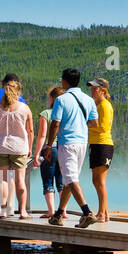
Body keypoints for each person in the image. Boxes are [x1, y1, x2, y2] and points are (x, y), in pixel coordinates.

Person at [47, 68, 97, 227]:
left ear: (65, 81)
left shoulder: (61, 100)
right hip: (82, 143)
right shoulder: (89, 100)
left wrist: (49, 145)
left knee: (71, 179)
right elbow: (94, 123)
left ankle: (87, 212)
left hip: (67, 143)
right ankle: (57, 215)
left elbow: (55, 123)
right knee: (70, 179)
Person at [0, 77, 33, 219]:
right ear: (18, 93)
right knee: (20, 180)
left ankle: (4, 211)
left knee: (3, 180)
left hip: (0, 147)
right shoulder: (24, 108)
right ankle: (22, 211)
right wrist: (30, 147)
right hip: (19, 148)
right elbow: (30, 131)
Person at [33, 85, 64, 220]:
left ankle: (51, 211)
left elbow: (42, 135)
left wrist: (36, 154)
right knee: (61, 181)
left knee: (48, 180)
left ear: (52, 98)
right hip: (63, 148)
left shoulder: (46, 113)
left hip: (49, 149)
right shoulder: (66, 113)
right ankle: (63, 211)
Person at [86, 76, 114, 224]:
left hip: (104, 145)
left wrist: (87, 124)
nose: (92, 91)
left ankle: (101, 214)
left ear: (102, 90)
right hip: (96, 145)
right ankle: (105, 212)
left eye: (95, 88)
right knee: (95, 180)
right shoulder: (97, 105)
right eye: (91, 88)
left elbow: (103, 127)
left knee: (100, 181)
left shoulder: (104, 105)